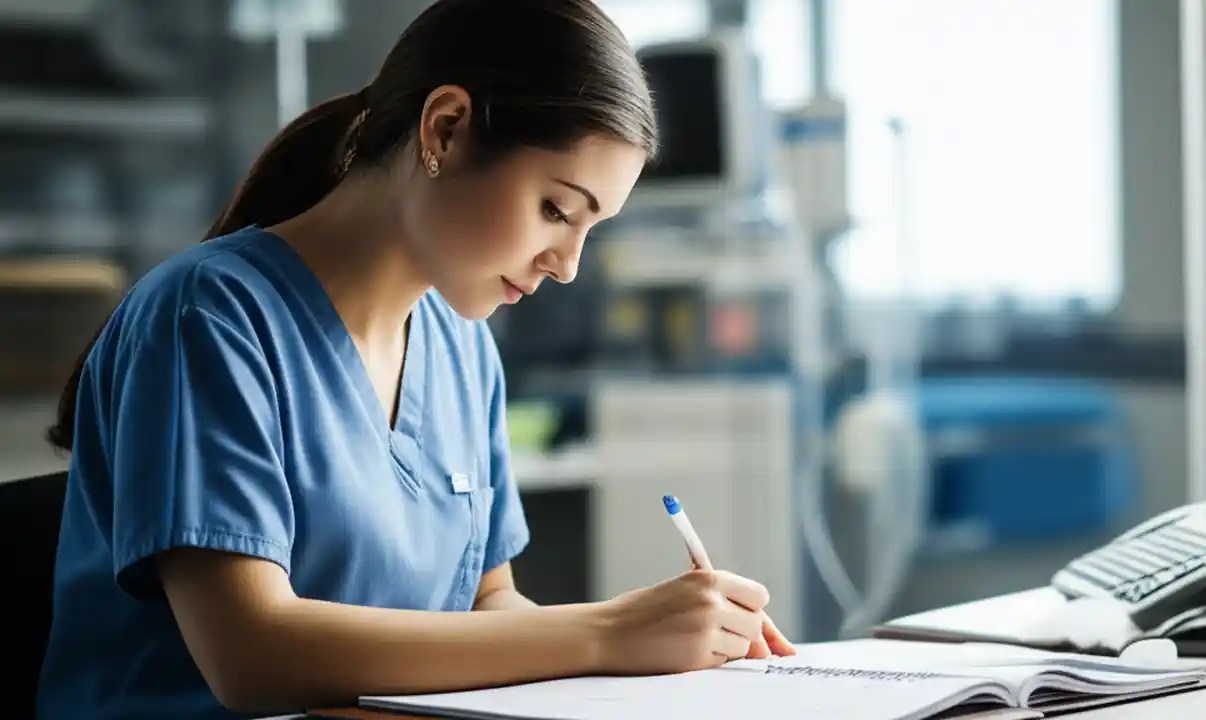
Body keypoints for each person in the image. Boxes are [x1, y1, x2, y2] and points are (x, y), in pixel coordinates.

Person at [35, 1, 795, 717]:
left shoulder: (463, 347)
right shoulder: (208, 317)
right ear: (446, 129)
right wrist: (606, 632)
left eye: (589, 229)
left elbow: (491, 606)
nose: (566, 264)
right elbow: (249, 654)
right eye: (557, 210)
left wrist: (641, 663)